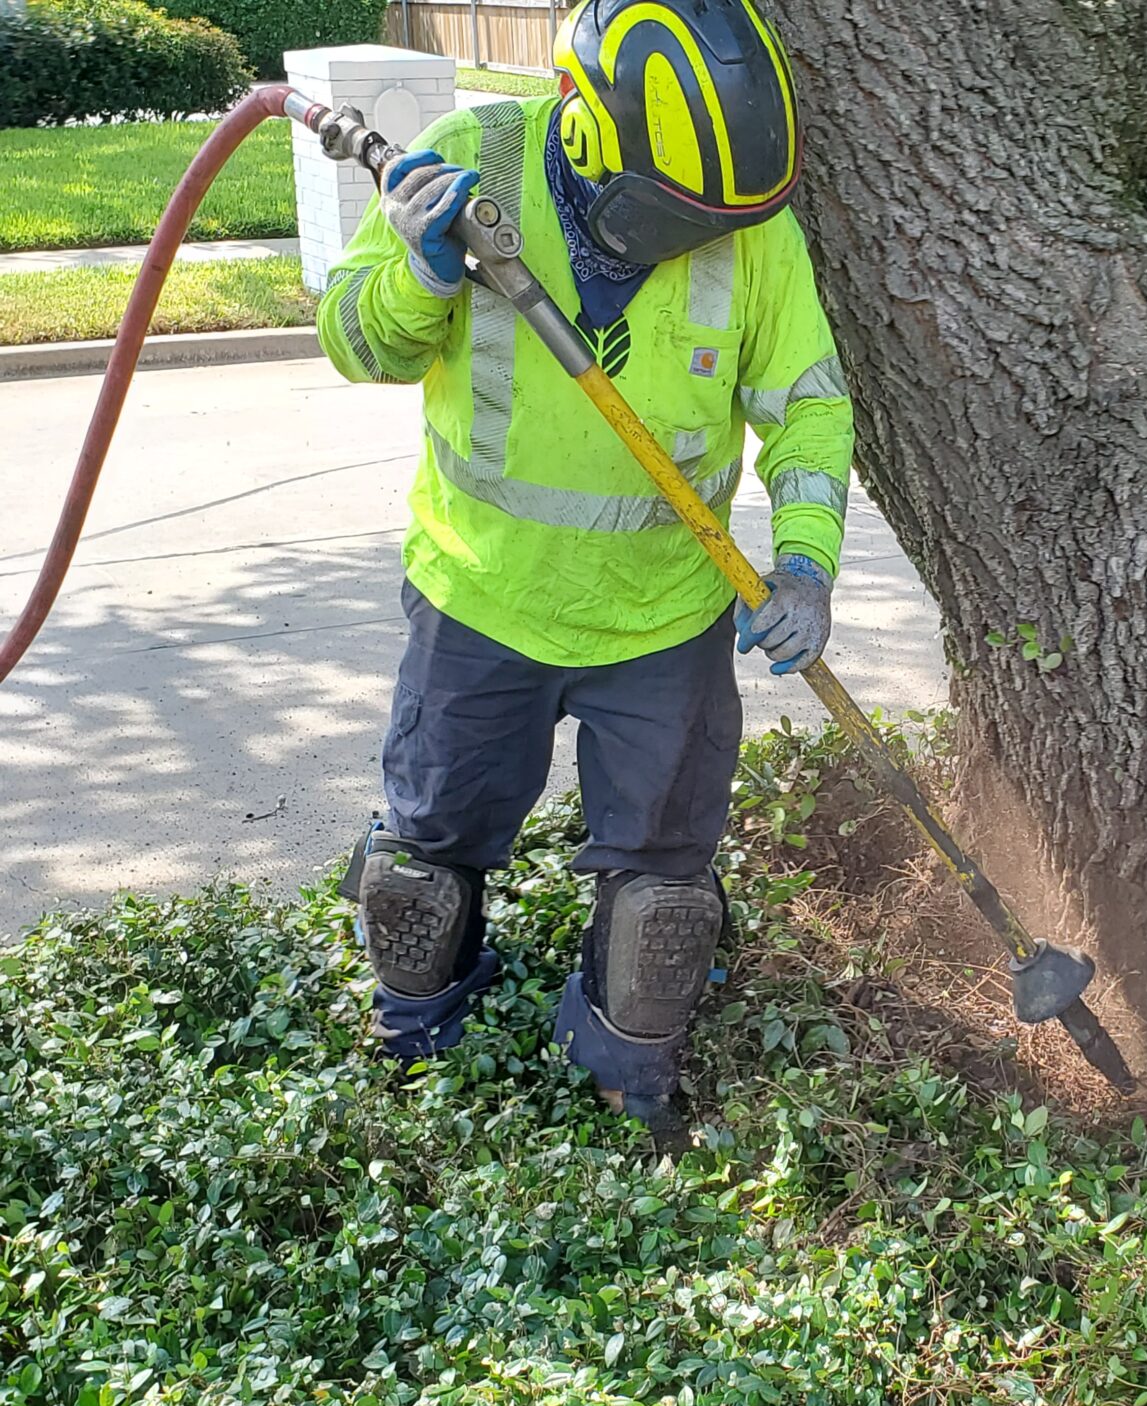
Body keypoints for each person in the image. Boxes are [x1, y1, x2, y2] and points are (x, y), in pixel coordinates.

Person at [315, 0, 853, 1129]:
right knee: (424, 864)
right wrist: (420, 275)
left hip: (664, 617)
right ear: (582, 122)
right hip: (481, 596)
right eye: (666, 214)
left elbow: (806, 407)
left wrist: (804, 565)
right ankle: (419, 1033)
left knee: (663, 895)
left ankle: (627, 1067)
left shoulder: (748, 224)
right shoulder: (465, 165)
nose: (692, 237)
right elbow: (357, 346)